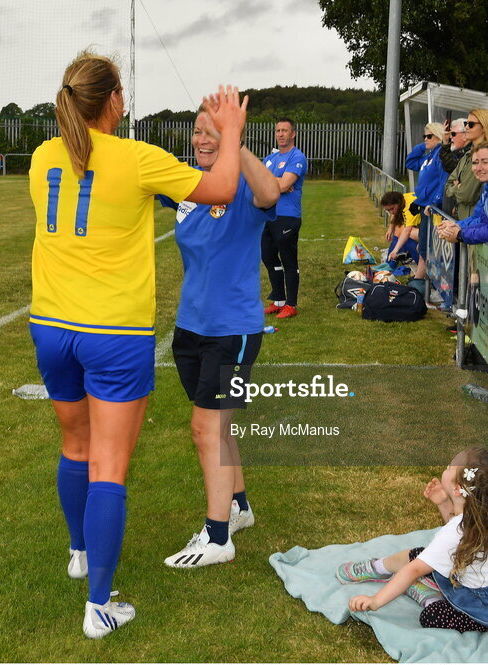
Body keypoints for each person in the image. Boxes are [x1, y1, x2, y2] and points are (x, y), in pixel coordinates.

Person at [28, 50, 247, 638]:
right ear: (115, 101)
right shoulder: (137, 157)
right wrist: (231, 132)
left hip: (50, 326)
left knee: (75, 446)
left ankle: (79, 553)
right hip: (113, 333)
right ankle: (99, 606)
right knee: (109, 466)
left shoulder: (42, 156)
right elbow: (223, 186)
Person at [158, 107, 279, 568]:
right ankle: (240, 507)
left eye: (212, 133)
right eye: (198, 132)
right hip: (190, 327)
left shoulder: (247, 183)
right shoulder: (191, 184)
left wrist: (235, 140)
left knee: (205, 428)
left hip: (233, 330)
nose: (202, 141)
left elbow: (270, 192)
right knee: (218, 427)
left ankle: (217, 538)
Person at [336, 447, 488, 634]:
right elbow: (459, 539)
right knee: (420, 554)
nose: (446, 468)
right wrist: (443, 503)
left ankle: (430, 597)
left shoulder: (456, 529)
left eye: (449, 467)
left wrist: (375, 601)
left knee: (432, 615)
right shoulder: (485, 511)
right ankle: (377, 567)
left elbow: (415, 568)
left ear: (457, 488)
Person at [261, 117, 306, 319]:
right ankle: (278, 300)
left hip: (287, 216)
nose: (280, 134)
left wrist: (277, 183)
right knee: (268, 256)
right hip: (267, 214)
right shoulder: (269, 158)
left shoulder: (297, 157)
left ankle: (291, 304)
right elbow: (257, 181)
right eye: (278, 130)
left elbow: (279, 185)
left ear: (293, 133)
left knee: (288, 260)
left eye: (284, 130)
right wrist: (279, 183)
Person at [445, 109, 488, 221]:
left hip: (478, 224)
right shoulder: (467, 155)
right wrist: (459, 187)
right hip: (466, 224)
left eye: (470, 124)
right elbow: (448, 187)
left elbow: (466, 195)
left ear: (484, 128)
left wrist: (457, 187)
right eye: (466, 123)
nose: (466, 127)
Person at [404, 123, 449, 286]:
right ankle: (422, 279)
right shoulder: (429, 156)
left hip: (432, 209)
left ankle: (423, 281)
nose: (425, 139)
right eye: (424, 136)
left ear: (438, 136)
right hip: (424, 206)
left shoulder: (440, 155)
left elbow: (443, 182)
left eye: (429, 136)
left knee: (426, 246)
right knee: (423, 245)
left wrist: (435, 202)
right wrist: (423, 145)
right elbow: (410, 163)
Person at [380, 190, 422, 270]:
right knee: (400, 230)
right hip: (428, 225)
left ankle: (422, 267)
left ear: (398, 203)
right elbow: (394, 215)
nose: (391, 212)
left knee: (407, 236)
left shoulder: (409, 208)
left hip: (435, 230)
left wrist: (395, 250)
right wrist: (390, 229)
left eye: (392, 209)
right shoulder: (403, 198)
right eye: (388, 210)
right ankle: (389, 263)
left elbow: (407, 231)